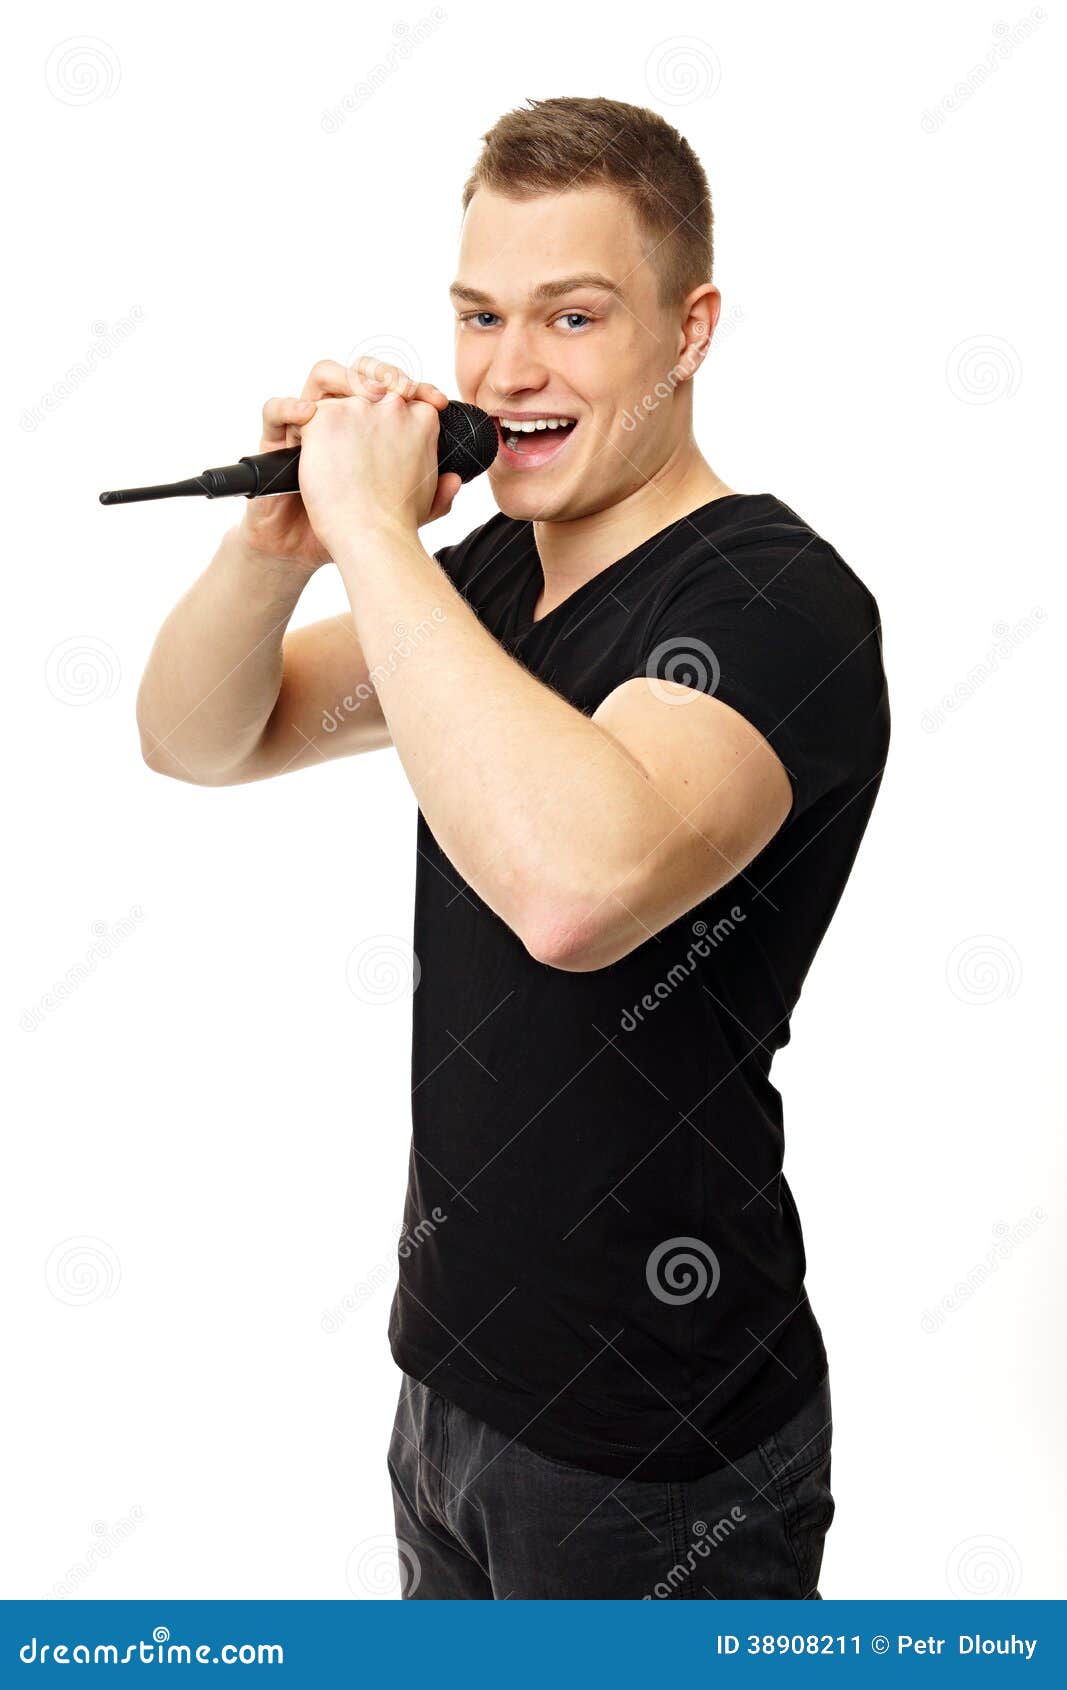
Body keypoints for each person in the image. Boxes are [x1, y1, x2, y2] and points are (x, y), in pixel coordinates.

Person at [136, 95, 890, 1599]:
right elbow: (200, 734)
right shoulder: (482, 584)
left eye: (575, 314)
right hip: (451, 1391)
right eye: (480, 315)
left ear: (691, 330)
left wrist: (379, 540)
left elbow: (575, 888)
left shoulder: (779, 601)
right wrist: (277, 542)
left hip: (654, 1445)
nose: (508, 369)